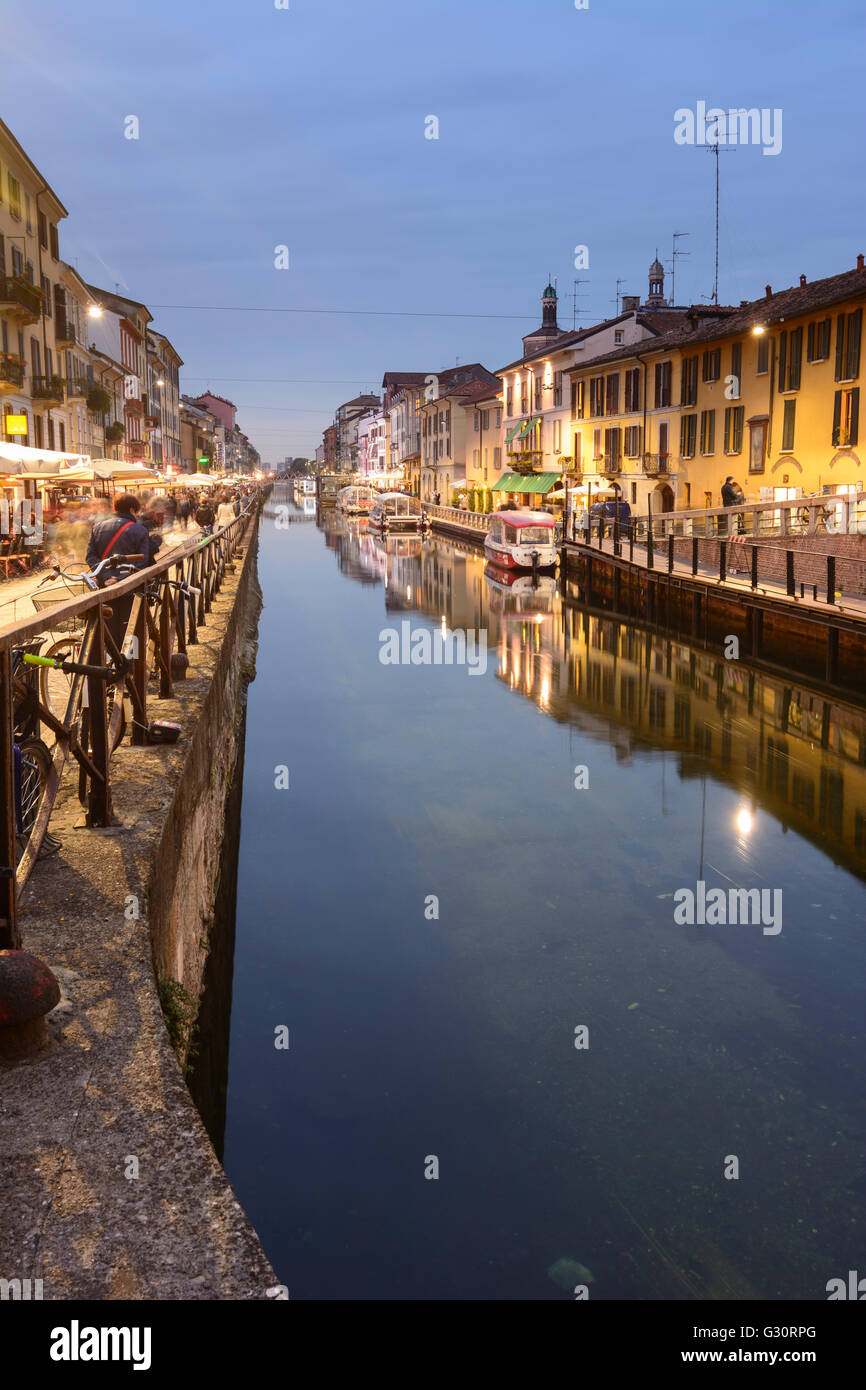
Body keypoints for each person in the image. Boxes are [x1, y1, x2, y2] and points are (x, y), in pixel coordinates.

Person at [85, 493, 151, 650]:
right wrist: (122, 579)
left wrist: (105, 576)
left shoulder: (98, 527)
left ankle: (110, 666)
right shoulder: (139, 530)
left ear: (114, 508)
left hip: (105, 587)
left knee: (108, 627)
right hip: (131, 589)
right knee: (131, 628)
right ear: (131, 509)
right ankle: (130, 665)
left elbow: (91, 557)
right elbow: (143, 561)